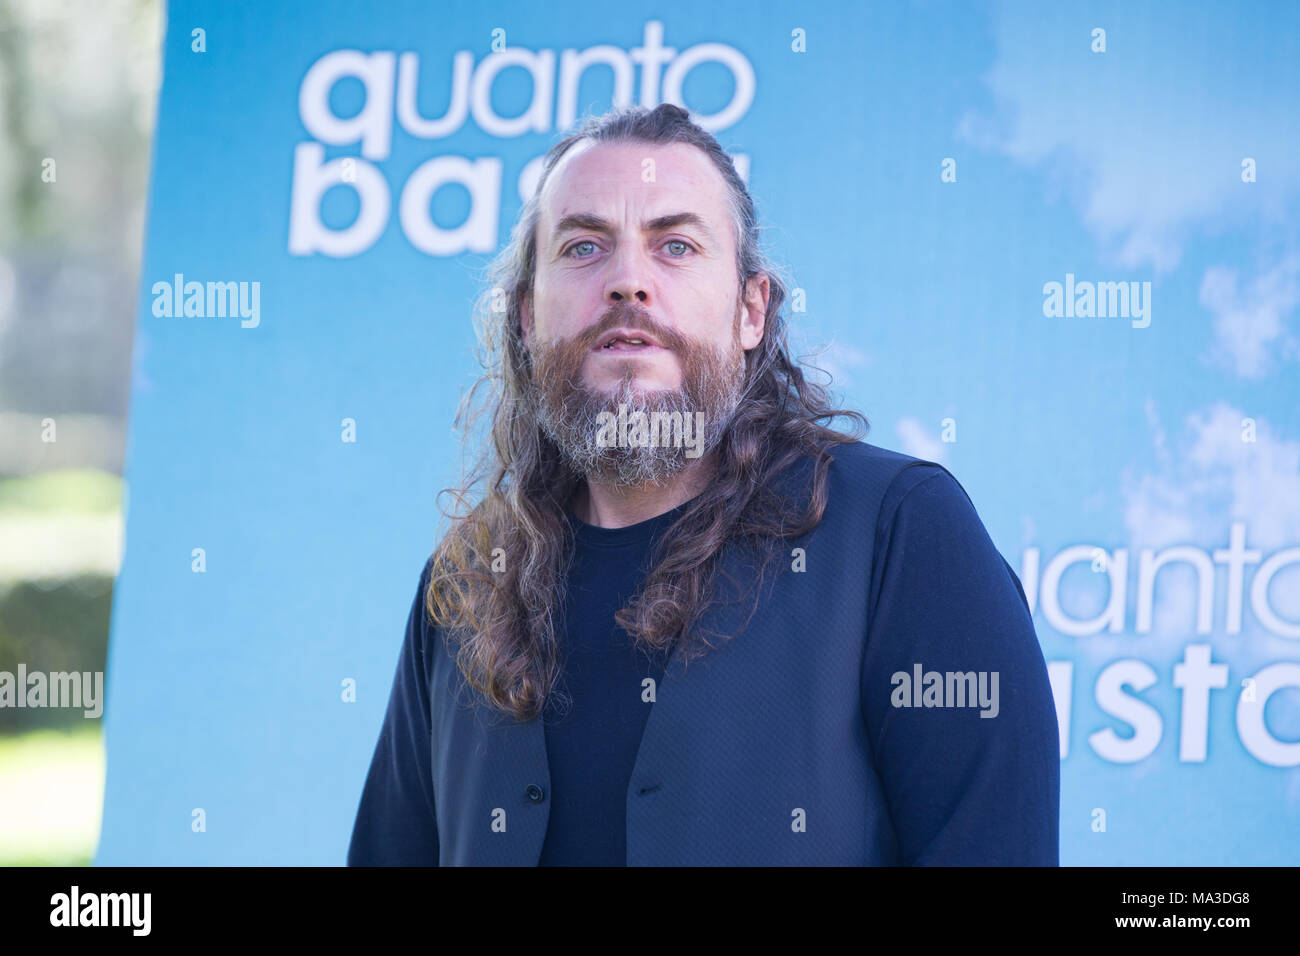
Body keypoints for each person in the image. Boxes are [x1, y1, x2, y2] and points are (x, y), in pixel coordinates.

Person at [346, 102, 1059, 866]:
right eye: (584, 247)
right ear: (526, 317)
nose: (628, 283)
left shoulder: (899, 535)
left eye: (676, 246)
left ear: (752, 311)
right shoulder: (464, 585)